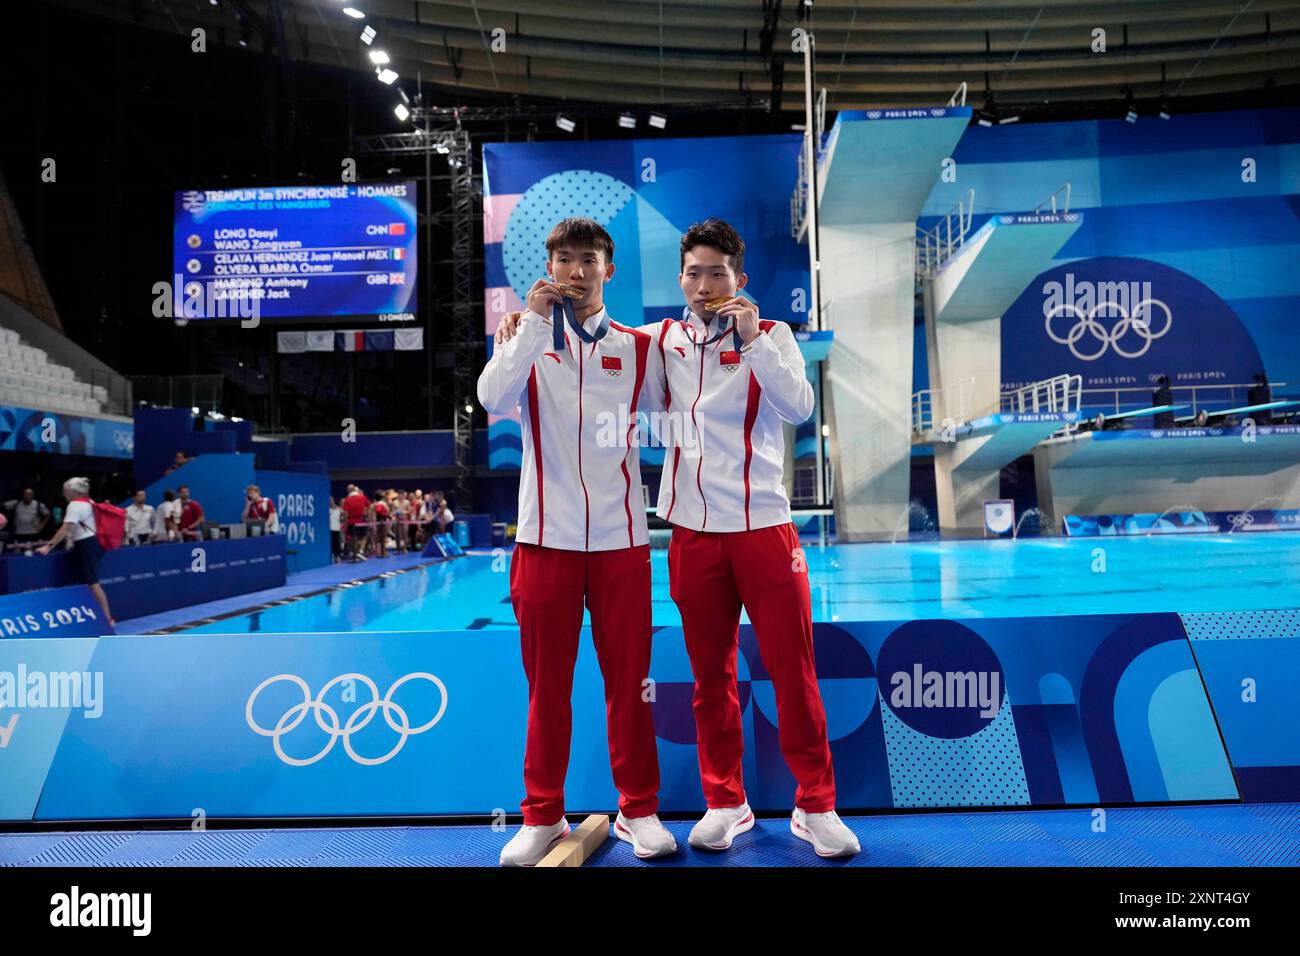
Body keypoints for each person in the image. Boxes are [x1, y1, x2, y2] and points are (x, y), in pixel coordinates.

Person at [497, 218, 859, 859]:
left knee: (793, 672)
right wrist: (522, 328)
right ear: (680, 281)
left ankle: (816, 805)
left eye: (716, 272)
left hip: (764, 528)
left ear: (739, 280)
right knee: (710, 679)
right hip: (689, 533)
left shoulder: (772, 337)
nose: (703, 283)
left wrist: (753, 342)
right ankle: (726, 802)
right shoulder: (657, 343)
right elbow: (498, 393)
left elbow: (799, 406)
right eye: (693, 272)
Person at [478, 216, 674, 866]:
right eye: (565, 259)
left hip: (622, 544)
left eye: (589, 259)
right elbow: (490, 396)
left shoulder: (640, 348)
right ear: (551, 268)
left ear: (608, 270)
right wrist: (527, 328)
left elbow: (685, 413)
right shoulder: (526, 343)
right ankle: (542, 814)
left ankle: (638, 811)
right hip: (544, 542)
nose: (577, 271)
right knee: (548, 689)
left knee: (630, 684)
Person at [36, 477, 114, 627]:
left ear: (73, 491)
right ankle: (97, 616)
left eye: (65, 490)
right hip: (94, 542)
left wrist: (48, 546)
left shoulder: (75, 504)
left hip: (87, 544)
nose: (64, 493)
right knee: (87, 582)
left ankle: (107, 619)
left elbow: (66, 528)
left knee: (92, 583)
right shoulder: (89, 502)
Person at [341, 484, 370, 561]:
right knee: (364, 535)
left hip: (351, 521)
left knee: (352, 537)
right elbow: (368, 506)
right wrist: (366, 514)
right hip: (360, 520)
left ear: (348, 491)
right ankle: (360, 551)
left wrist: (344, 523)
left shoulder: (347, 500)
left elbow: (346, 514)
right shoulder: (362, 497)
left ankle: (355, 552)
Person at [329, 496, 343, 561]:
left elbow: (343, 517)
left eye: (331, 500)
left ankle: (337, 556)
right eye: (329, 500)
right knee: (332, 543)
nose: (330, 501)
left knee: (337, 543)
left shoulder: (339, 509)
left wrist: (341, 519)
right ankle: (332, 556)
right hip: (330, 529)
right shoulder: (328, 510)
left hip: (337, 529)